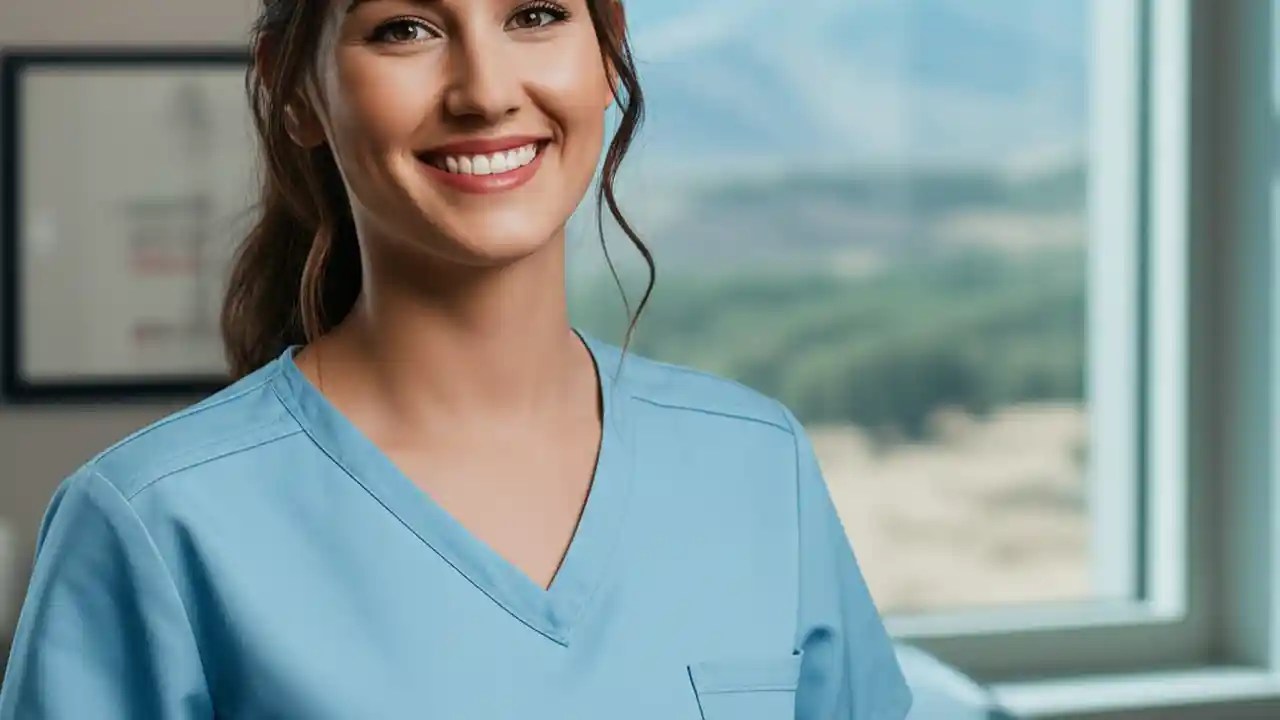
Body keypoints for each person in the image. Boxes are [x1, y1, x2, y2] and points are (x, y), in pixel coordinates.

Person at [0, 0, 912, 717]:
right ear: (296, 88)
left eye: (537, 15)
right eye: (405, 28)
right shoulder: (154, 522)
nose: (485, 89)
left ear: (608, 50)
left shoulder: (757, 464)